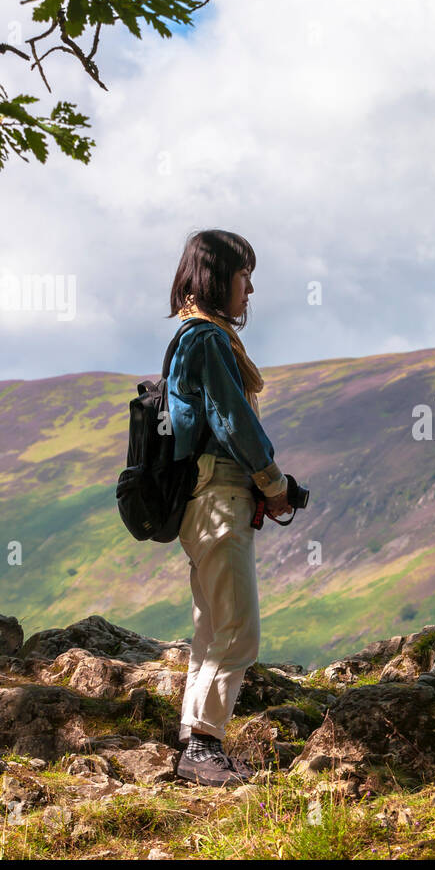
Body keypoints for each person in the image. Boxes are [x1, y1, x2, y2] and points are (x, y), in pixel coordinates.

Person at [164, 229, 292, 787]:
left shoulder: (187, 338)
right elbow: (233, 420)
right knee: (239, 629)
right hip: (221, 495)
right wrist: (274, 480)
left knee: (211, 625)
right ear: (218, 278)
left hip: (202, 497)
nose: (251, 289)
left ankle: (196, 746)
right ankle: (204, 746)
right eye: (244, 275)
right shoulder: (210, 341)